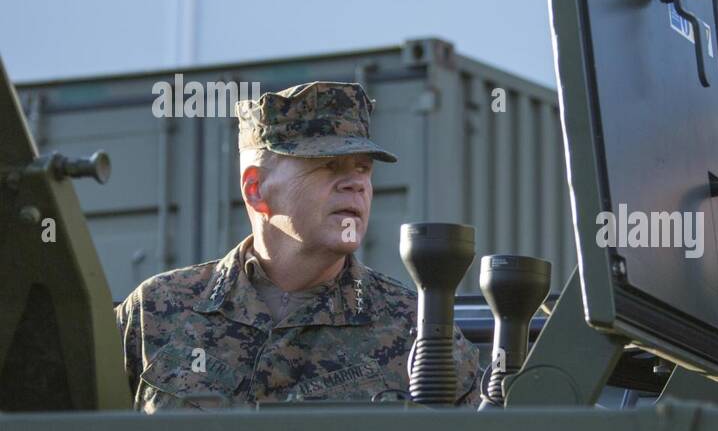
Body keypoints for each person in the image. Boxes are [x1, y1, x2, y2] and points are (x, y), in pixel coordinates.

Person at [116, 81, 479, 411]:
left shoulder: (419, 332)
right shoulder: (155, 312)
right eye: (328, 165)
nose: (355, 184)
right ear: (255, 189)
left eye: (363, 168)